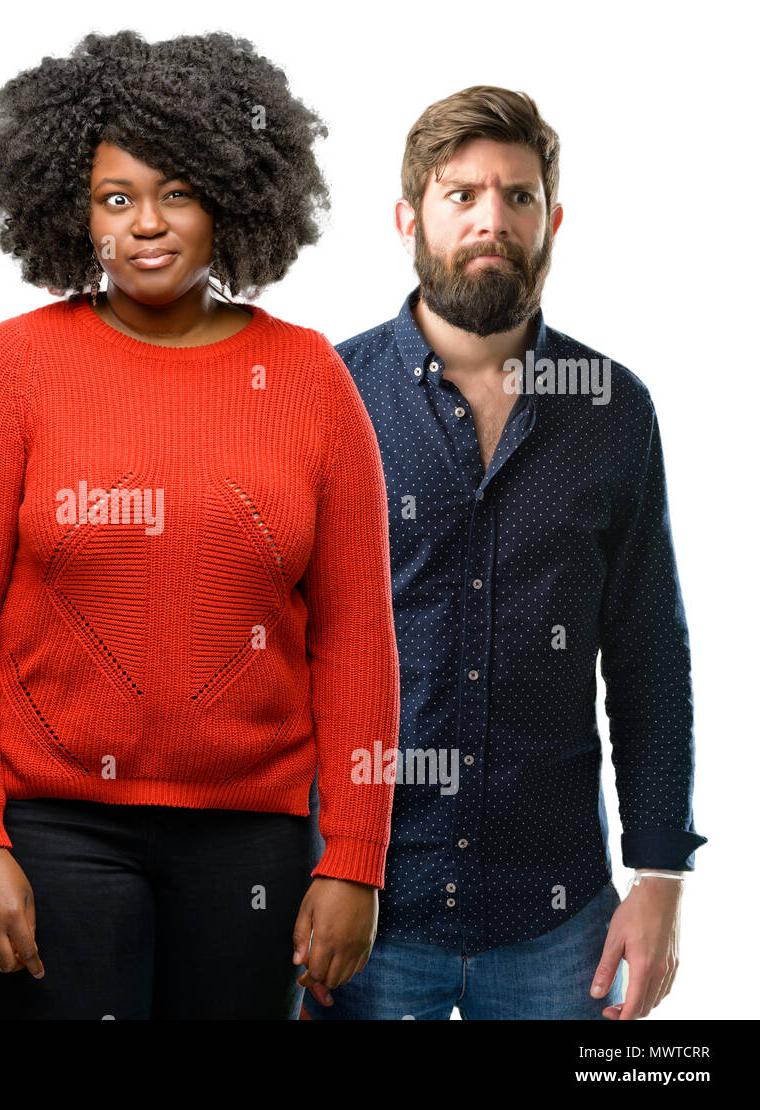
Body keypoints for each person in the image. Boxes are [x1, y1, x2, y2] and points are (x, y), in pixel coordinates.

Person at [0, 30, 400, 1020]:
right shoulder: (9, 369)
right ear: (69, 210)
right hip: (49, 831)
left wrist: (357, 855)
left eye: (176, 192)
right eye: (114, 198)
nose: (145, 225)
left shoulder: (308, 378)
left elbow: (356, 635)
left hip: (251, 839)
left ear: (231, 196)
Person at [301, 86, 705, 1022]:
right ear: (409, 219)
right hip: (356, 910)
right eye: (462, 195)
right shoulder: (324, 395)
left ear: (552, 220)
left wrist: (660, 877)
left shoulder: (613, 409)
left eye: (518, 197)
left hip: (556, 925)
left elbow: (650, 659)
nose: (494, 219)